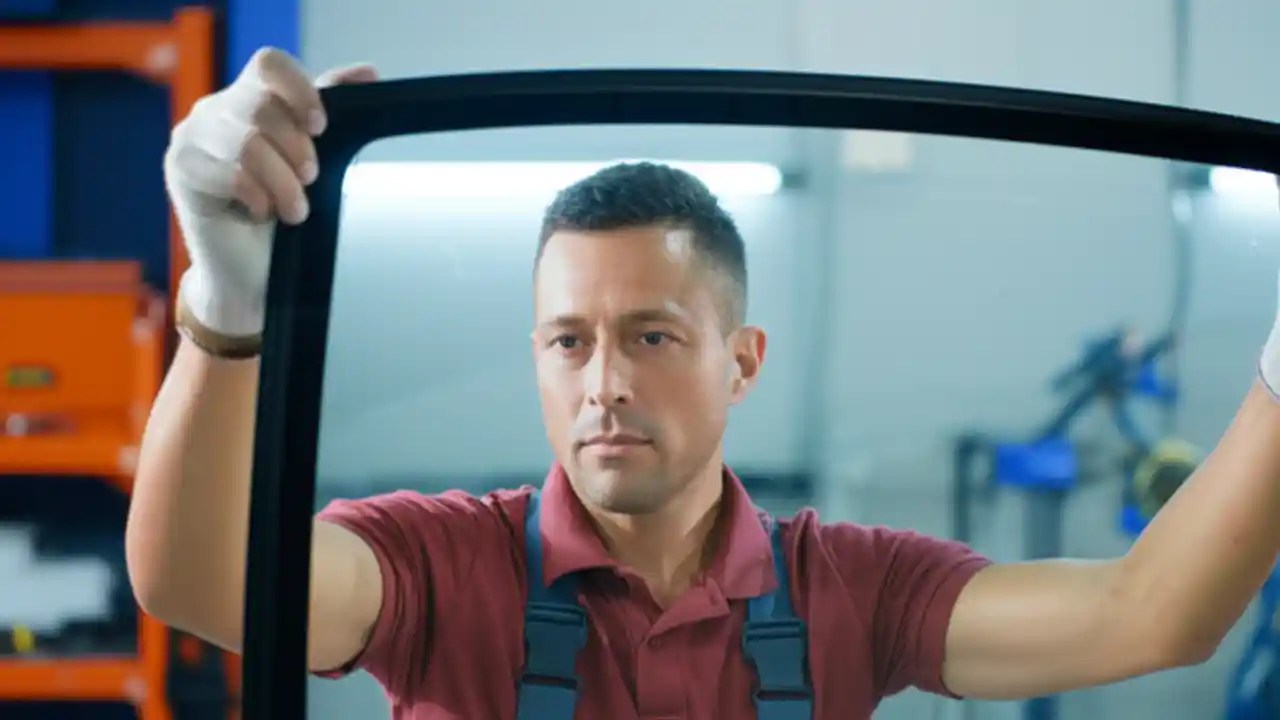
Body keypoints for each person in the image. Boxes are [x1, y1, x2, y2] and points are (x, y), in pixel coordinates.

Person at [124, 47, 1280, 720]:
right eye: (567, 341)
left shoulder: (851, 590)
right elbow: (198, 581)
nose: (604, 383)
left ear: (741, 363)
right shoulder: (438, 567)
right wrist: (226, 308)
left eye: (652, 336)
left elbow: (1149, 615)